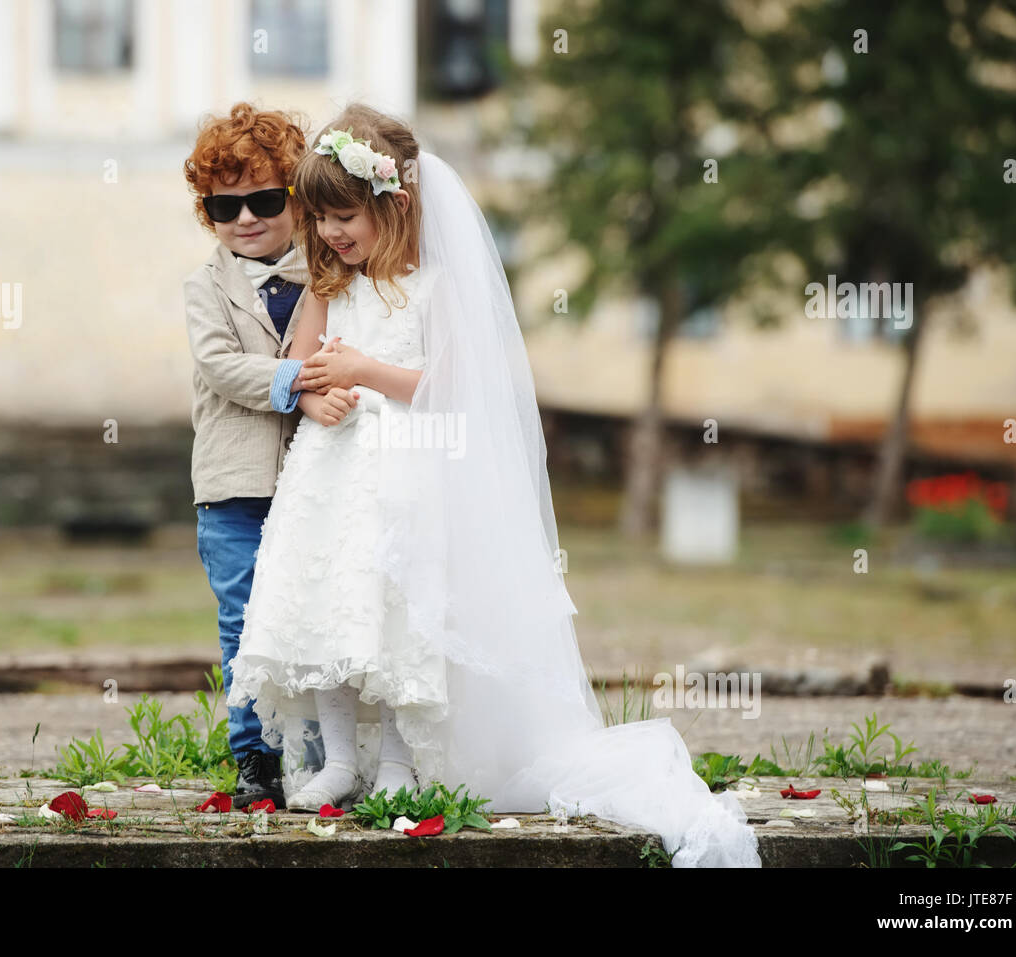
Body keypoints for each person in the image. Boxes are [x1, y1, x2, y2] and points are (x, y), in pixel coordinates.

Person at [227, 104, 761, 867]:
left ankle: (397, 765)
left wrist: (364, 372)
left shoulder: (432, 286)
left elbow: (448, 384)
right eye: (320, 218)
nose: (332, 234)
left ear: (392, 206)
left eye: (344, 216)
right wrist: (318, 394)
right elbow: (303, 363)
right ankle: (339, 759)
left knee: (393, 614)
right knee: (328, 609)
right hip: (331, 470)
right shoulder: (324, 284)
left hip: (404, 470)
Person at [182, 102, 321, 809]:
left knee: (313, 614)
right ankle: (255, 758)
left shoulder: (327, 279)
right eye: (224, 205)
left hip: (310, 482)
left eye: (265, 199)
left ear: (296, 198)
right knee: (245, 623)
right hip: (233, 489)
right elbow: (220, 366)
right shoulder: (205, 288)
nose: (245, 218)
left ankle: (320, 753)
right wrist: (297, 380)